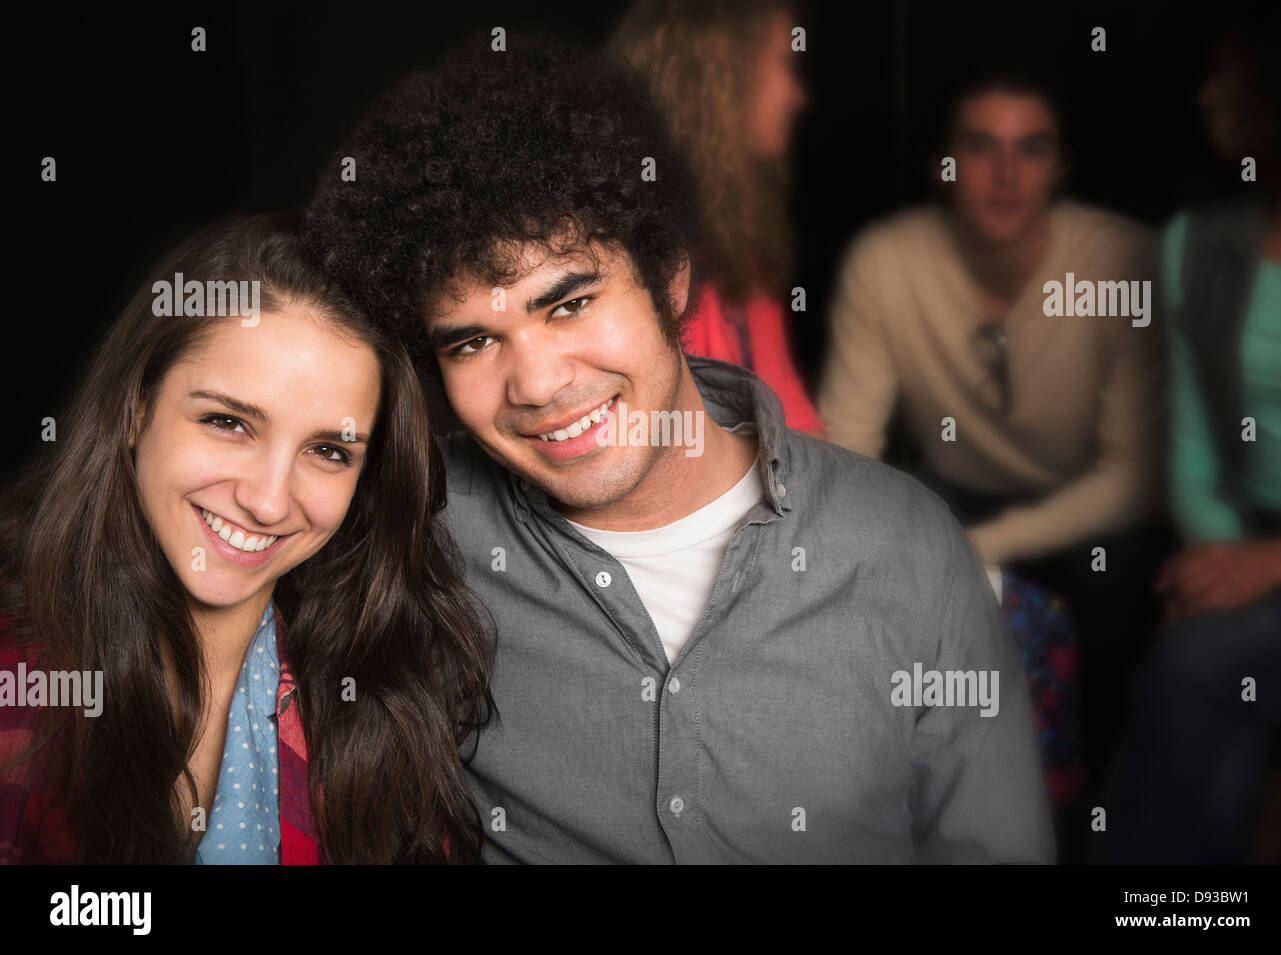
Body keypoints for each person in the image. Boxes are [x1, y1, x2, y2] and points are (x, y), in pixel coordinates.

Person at [306, 37, 1053, 863]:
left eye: (570, 303)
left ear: (670, 282)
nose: (538, 383)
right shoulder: (424, 539)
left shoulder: (902, 542)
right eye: (474, 342)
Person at [0, 214, 494, 864]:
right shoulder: (22, 688)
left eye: (327, 450)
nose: (267, 498)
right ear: (135, 411)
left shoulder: (382, 697)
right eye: (228, 421)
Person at [818, 61, 1170, 782]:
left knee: (1121, 576)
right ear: (940, 165)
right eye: (980, 147)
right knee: (871, 561)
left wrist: (980, 546)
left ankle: (1095, 803)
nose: (1006, 174)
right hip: (956, 487)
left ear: (1061, 167)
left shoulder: (1120, 258)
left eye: (1032, 149)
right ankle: (912, 792)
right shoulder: (885, 260)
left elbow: (1135, 475)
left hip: (1095, 507)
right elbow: (849, 447)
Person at [1098, 14, 1281, 863]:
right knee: (1190, 646)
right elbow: (1193, 451)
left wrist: (1275, 566)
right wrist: (1227, 565)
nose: (1205, 95)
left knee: (1196, 669)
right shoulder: (1199, 244)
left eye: (1230, 73)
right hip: (1252, 544)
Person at [607, 0, 824, 436]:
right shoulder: (626, 253)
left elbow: (797, 423)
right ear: (722, 81)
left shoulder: (742, 239)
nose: (799, 97)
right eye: (784, 65)